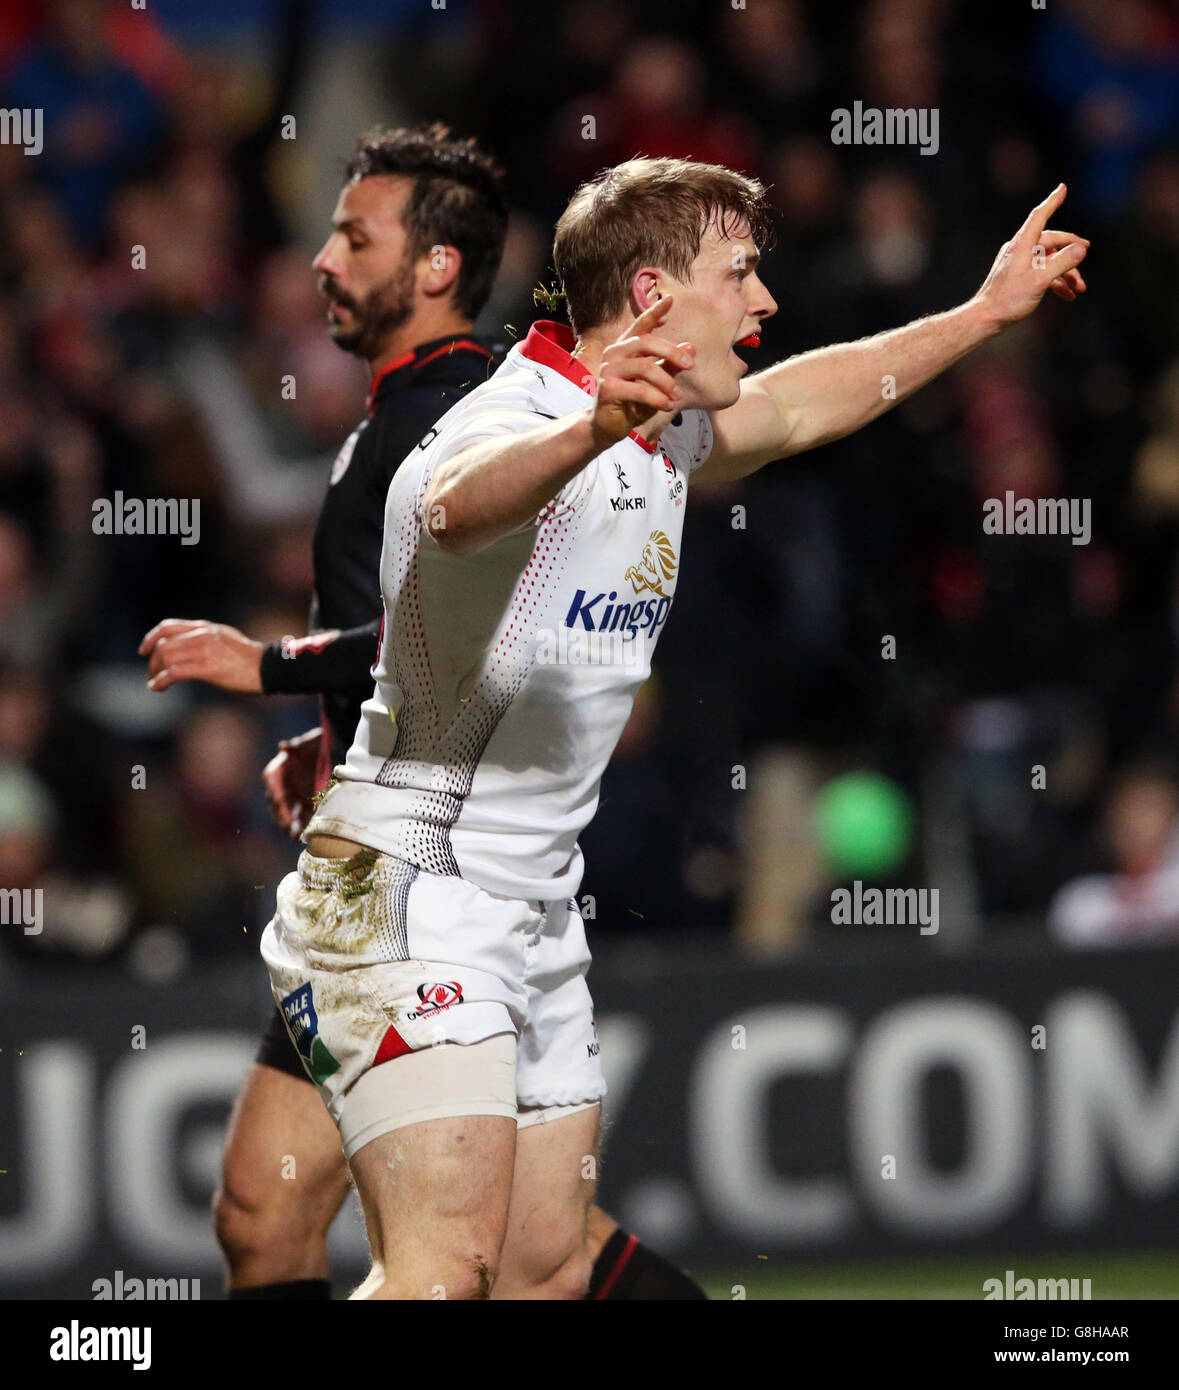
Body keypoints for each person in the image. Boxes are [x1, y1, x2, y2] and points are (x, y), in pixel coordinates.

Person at [260, 157, 1088, 1298]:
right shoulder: (512, 420)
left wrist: (983, 313)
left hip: (531, 902)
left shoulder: (665, 430)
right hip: (409, 892)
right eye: (740, 275)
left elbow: (804, 400)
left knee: (548, 1267)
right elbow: (453, 509)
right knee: (442, 1274)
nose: (764, 303)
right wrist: (587, 433)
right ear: (653, 292)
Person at [141, 125, 704, 1301]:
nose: (322, 260)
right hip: (380, 863)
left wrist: (276, 665)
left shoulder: (468, 409)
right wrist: (333, 729)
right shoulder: (391, 409)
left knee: (493, 1261)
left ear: (438, 266)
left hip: (432, 889)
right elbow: (417, 639)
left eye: (356, 235)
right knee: (262, 1215)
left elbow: (445, 623)